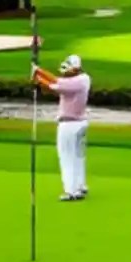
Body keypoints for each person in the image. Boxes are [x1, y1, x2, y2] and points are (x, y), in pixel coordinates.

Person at [32, 54, 91, 202]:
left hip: (69, 125)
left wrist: (38, 72)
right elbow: (52, 87)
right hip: (80, 124)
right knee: (78, 157)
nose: (65, 72)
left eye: (68, 69)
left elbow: (53, 82)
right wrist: (39, 77)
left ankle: (70, 191)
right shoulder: (84, 79)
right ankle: (79, 187)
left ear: (75, 69)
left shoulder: (74, 83)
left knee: (66, 157)